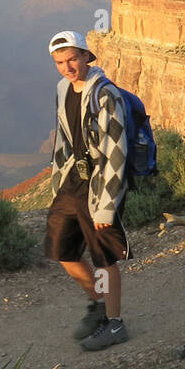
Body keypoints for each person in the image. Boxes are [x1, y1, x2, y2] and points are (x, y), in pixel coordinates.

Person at [44, 30, 131, 350]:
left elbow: (116, 151)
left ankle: (115, 323)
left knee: (104, 256)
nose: (67, 67)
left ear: (85, 56)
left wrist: (107, 205)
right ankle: (97, 304)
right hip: (71, 182)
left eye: (71, 60)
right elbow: (63, 140)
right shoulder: (62, 89)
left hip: (99, 184)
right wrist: (57, 182)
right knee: (61, 250)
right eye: (59, 62)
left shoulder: (106, 94)